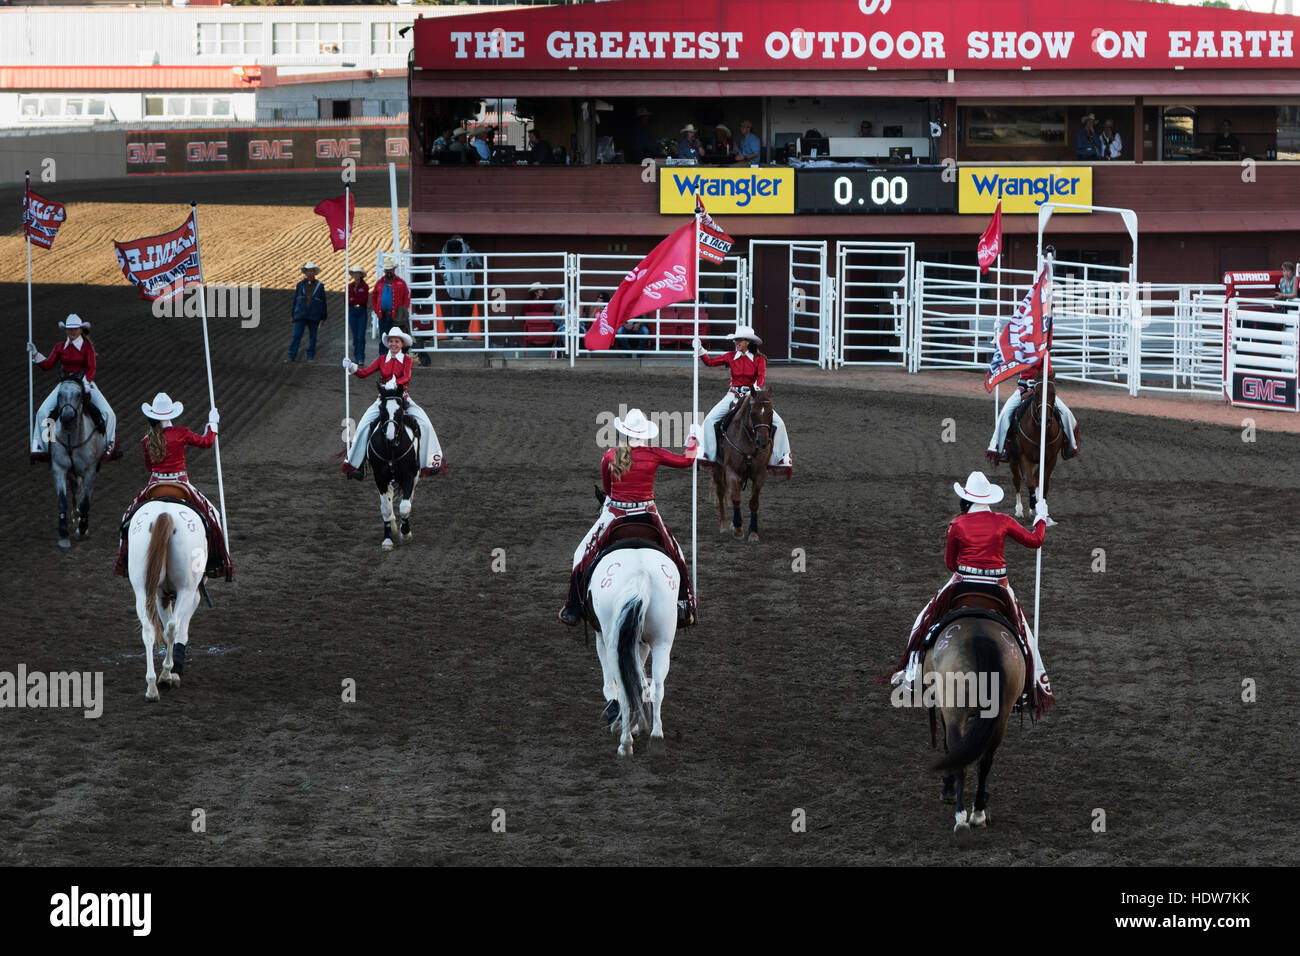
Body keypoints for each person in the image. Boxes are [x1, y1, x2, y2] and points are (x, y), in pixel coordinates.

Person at [889, 472, 1053, 713]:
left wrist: (966, 570)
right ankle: (1032, 685)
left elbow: (949, 562)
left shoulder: (957, 524)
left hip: (963, 580)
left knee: (922, 621)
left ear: (966, 499)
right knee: (1025, 634)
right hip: (999, 585)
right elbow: (1035, 541)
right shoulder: (1003, 520)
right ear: (988, 498)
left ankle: (911, 675)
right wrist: (1041, 517)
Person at [559, 408, 701, 627]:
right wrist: (693, 440)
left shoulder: (610, 455)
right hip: (648, 513)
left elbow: (607, 488)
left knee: (581, 554)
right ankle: (684, 605)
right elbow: (687, 461)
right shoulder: (654, 453)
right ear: (645, 433)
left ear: (624, 432)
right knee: (677, 555)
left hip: (616, 514)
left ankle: (573, 607)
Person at [113, 392, 231, 587]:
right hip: (181, 483)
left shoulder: (146, 439)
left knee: (127, 517)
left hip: (154, 484)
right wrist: (212, 425)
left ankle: (125, 563)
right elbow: (207, 442)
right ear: (171, 414)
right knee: (213, 515)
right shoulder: (181, 432)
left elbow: (150, 467)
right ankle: (216, 563)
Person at [340, 327, 443, 479]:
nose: (393, 344)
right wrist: (352, 367)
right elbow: (364, 373)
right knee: (362, 426)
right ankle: (357, 465)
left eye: (396, 341)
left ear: (402, 344)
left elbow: (406, 377)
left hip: (402, 397)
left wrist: (394, 383)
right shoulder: (381, 359)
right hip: (383, 399)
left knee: (426, 424)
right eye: (391, 341)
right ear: (387, 343)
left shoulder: (407, 360)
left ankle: (430, 463)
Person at [693, 326, 793, 473]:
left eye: (739, 340)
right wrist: (700, 349)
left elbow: (760, 379)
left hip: (752, 395)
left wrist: (754, 392)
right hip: (733, 394)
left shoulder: (759, 359)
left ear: (748, 342)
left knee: (779, 423)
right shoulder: (730, 356)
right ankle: (709, 455)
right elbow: (710, 362)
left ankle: (779, 458)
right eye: (735, 340)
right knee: (709, 420)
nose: (736, 342)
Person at [28, 313, 119, 461]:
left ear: (81, 330)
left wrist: (86, 383)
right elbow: (48, 365)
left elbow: (91, 368)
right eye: (69, 329)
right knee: (43, 412)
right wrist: (36, 354)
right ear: (65, 330)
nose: (72, 332)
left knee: (109, 413)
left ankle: (108, 445)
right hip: (65, 384)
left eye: (75, 329)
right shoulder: (59, 347)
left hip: (84, 383)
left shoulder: (87, 347)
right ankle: (45, 447)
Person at [438, 235, 482, 337]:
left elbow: (477, 263)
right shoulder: (447, 250)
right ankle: (459, 332)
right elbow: (442, 268)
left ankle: (467, 332)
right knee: (459, 309)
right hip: (459, 285)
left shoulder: (465, 249)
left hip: (463, 285)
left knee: (467, 308)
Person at [287, 262, 327, 362]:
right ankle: (291, 355)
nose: (310, 273)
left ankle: (310, 356)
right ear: (305, 272)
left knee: (313, 337)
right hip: (301, 314)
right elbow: (296, 300)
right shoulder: (300, 285)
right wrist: (293, 314)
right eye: (308, 271)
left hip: (314, 315)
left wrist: (323, 317)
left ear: (314, 272)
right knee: (297, 335)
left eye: (311, 271)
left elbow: (323, 302)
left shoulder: (320, 286)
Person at [347, 266, 369, 365]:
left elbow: (364, 300)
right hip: (352, 311)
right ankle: (357, 356)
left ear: (360, 275)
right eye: (354, 273)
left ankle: (361, 357)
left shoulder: (365, 286)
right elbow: (346, 300)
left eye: (357, 273)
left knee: (360, 336)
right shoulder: (349, 286)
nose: (356, 275)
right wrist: (353, 300)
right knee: (355, 336)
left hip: (361, 311)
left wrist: (353, 300)